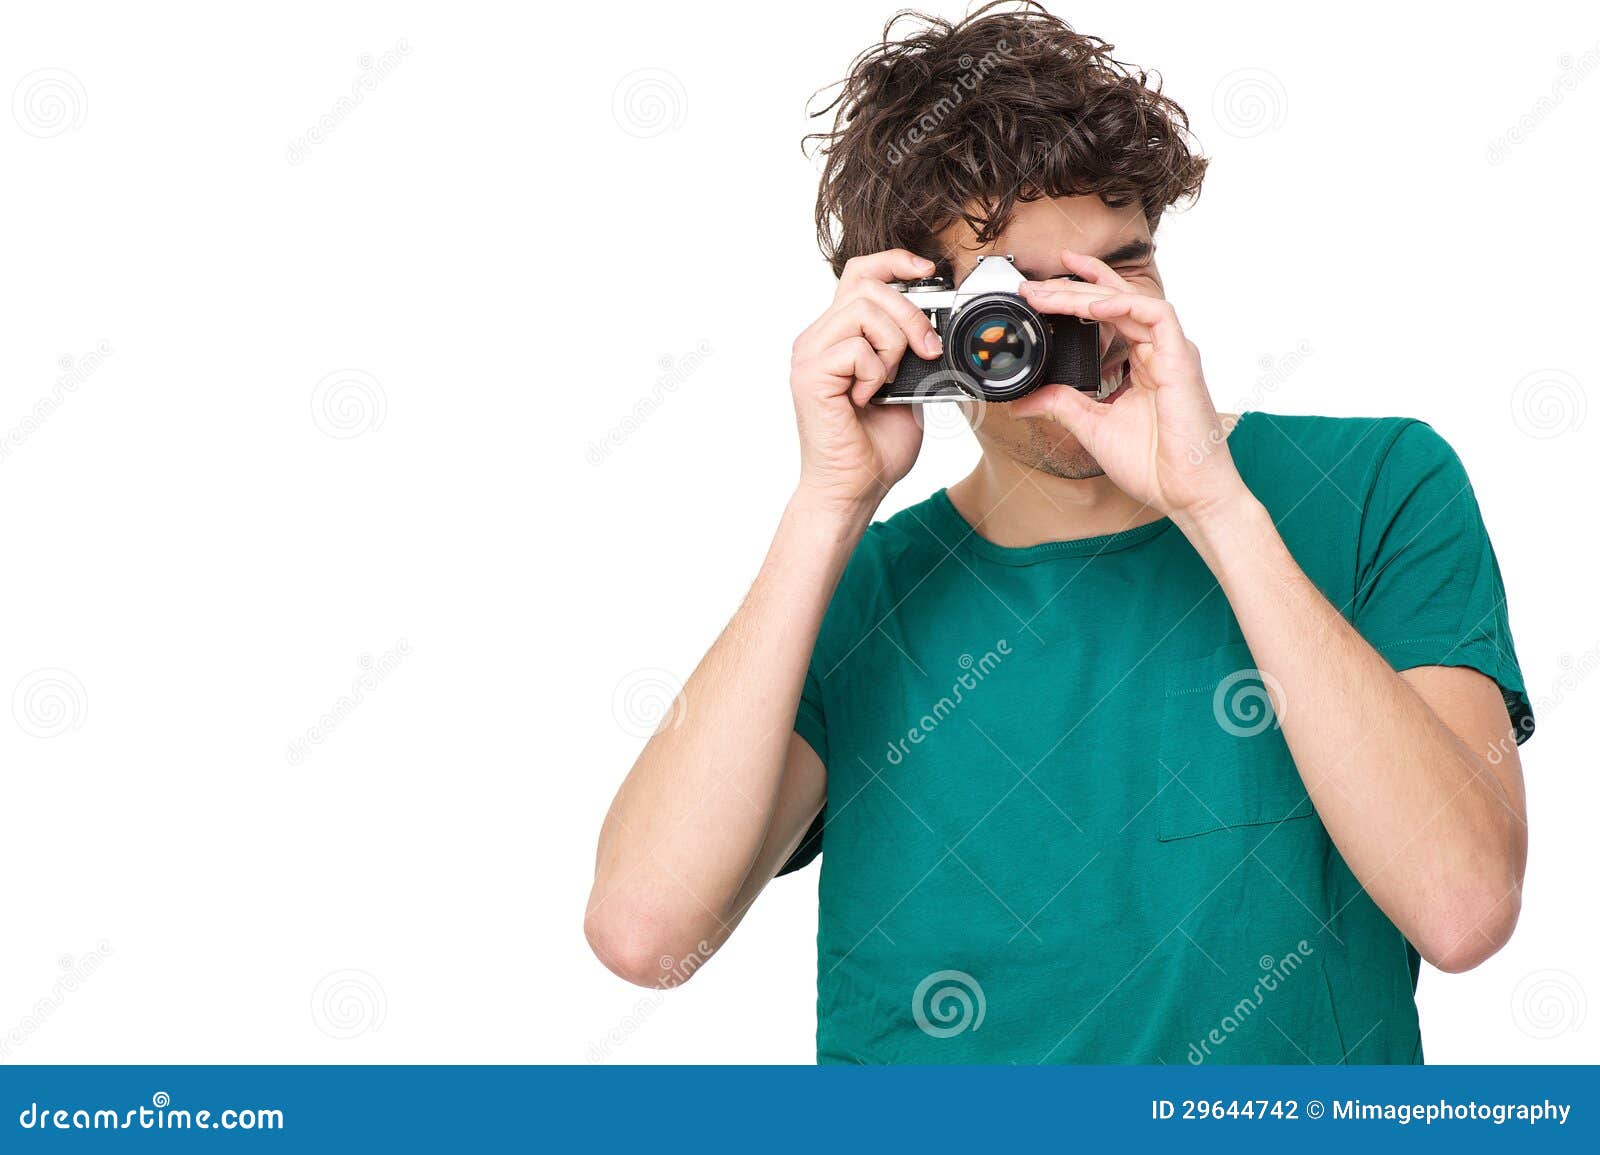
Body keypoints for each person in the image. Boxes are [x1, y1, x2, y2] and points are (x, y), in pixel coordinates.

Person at [585, 1, 1532, 1064]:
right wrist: (827, 506)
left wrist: (1213, 507)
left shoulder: (1371, 488)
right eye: (1025, 296)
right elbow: (642, 937)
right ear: (916, 315)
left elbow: (1462, 910)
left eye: (1118, 267)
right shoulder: (857, 584)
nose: (1086, 323)